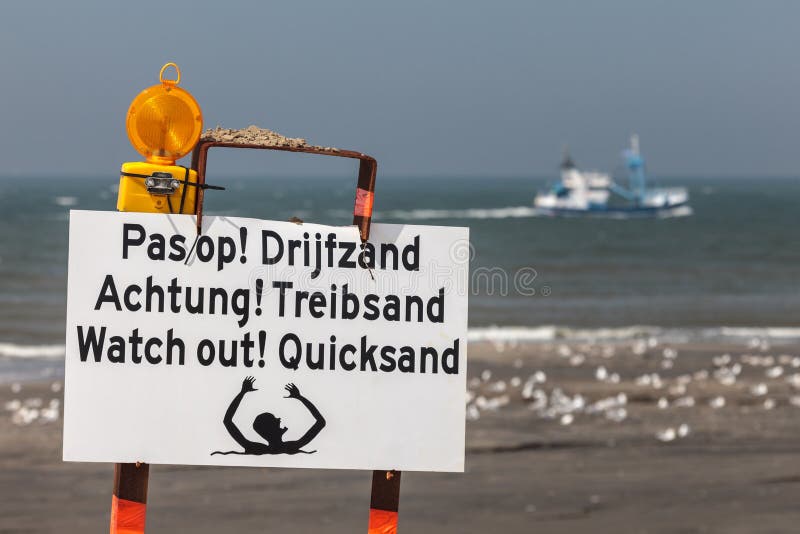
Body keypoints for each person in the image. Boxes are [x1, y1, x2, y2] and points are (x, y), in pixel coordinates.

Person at [212, 377, 326, 456]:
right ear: (269, 429)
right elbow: (320, 422)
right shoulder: (291, 447)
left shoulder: (255, 449)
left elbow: (227, 421)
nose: (279, 419)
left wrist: (243, 392)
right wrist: (300, 397)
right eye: (274, 420)